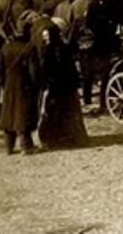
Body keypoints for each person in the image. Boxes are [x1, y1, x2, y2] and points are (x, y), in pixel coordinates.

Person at [37, 17, 88, 149]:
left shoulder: (47, 51)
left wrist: (44, 83)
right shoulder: (64, 48)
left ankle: (54, 139)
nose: (45, 38)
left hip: (56, 86)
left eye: (47, 36)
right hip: (68, 85)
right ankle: (74, 137)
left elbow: (45, 69)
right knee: (71, 112)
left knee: (53, 113)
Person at [0, 23, 41, 154]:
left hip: (9, 85)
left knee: (8, 113)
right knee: (23, 114)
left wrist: (4, 84)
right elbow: (33, 71)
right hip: (24, 85)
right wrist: (36, 85)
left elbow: (0, 70)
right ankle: (26, 145)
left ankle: (8, 147)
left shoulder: (5, 48)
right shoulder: (29, 48)